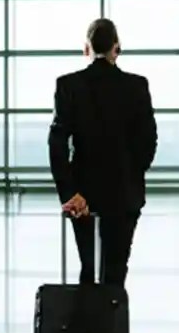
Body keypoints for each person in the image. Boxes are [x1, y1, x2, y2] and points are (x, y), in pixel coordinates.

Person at [48, 18, 157, 288]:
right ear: (116, 48)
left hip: (83, 194)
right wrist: (130, 176)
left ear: (87, 49)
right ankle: (112, 326)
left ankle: (86, 325)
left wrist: (70, 191)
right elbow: (148, 142)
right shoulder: (137, 87)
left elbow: (57, 142)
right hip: (124, 193)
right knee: (116, 270)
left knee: (88, 266)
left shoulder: (68, 86)